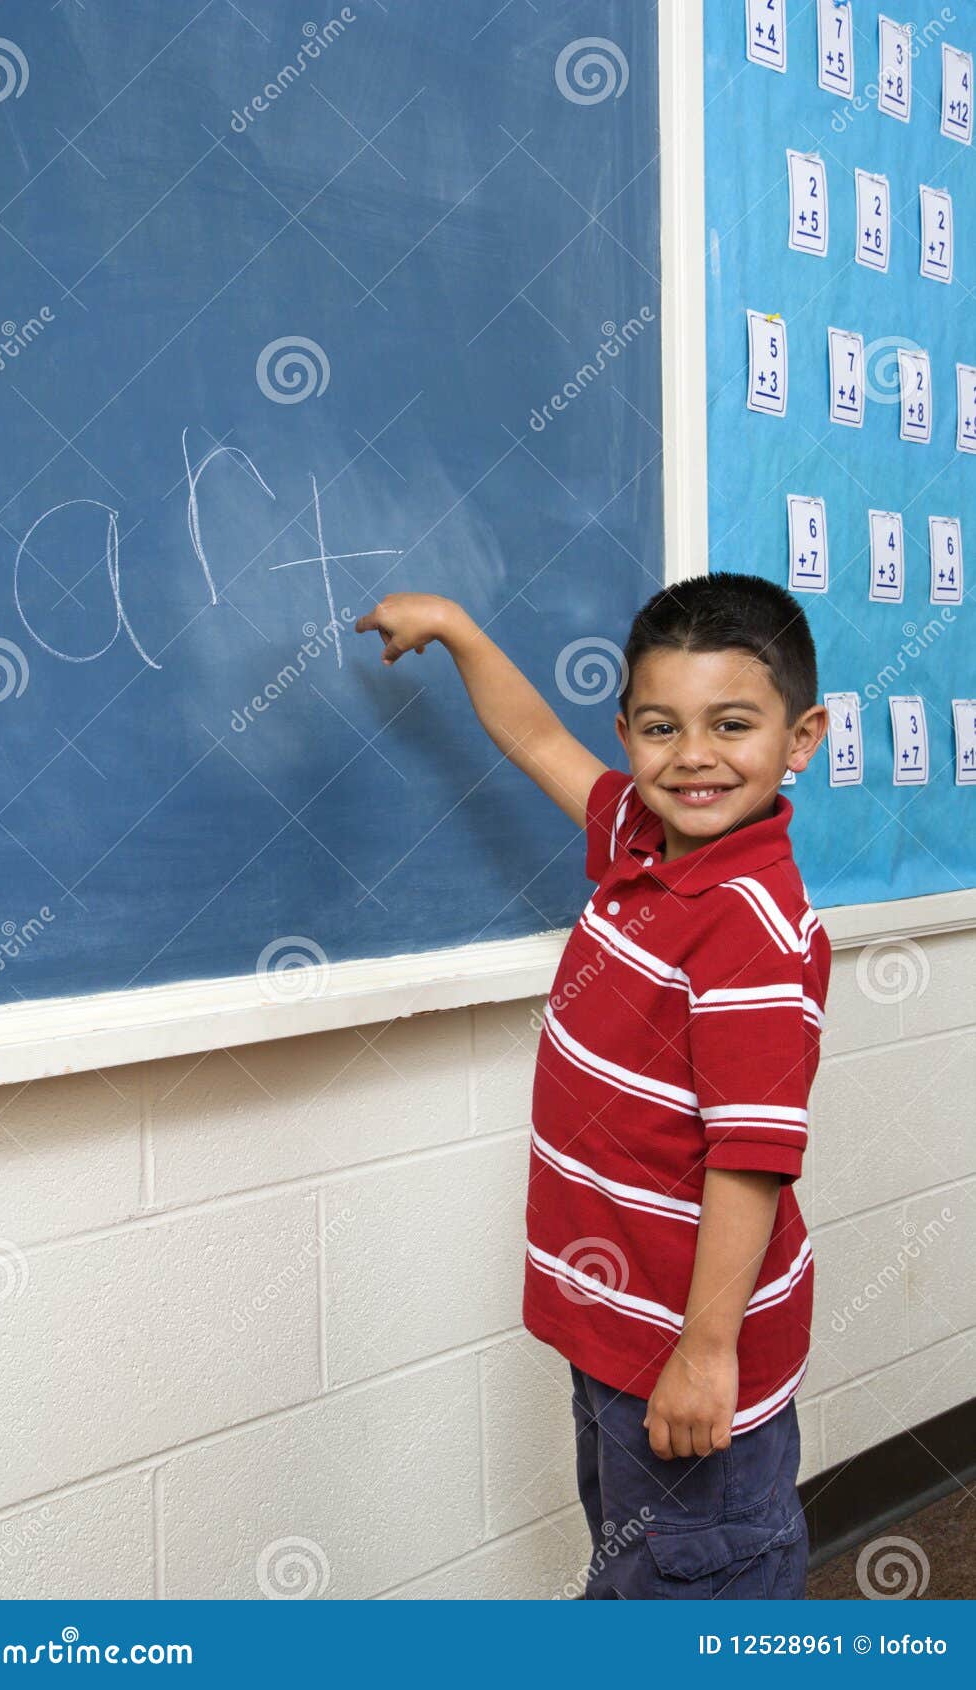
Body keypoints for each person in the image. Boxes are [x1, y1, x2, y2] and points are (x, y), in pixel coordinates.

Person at [355, 572, 831, 1600]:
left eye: (731, 724)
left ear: (801, 739)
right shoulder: (643, 842)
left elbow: (749, 1158)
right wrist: (459, 632)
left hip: (687, 1340)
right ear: (626, 733)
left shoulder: (748, 924)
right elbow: (535, 742)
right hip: (616, 1326)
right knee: (633, 1562)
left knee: (701, 1584)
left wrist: (705, 1350)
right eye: (660, 727)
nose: (691, 755)